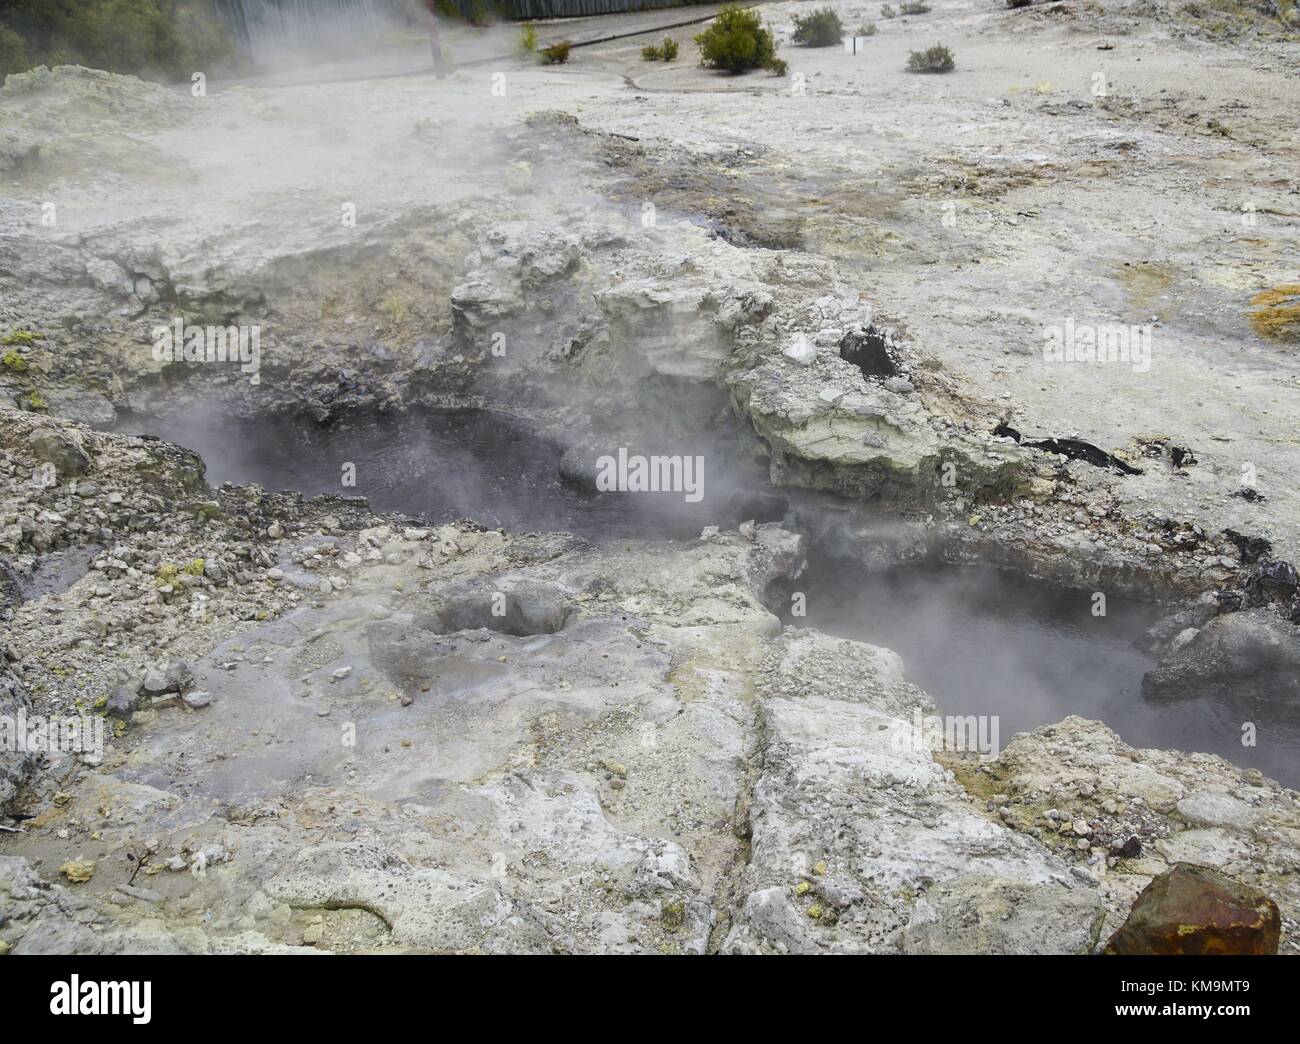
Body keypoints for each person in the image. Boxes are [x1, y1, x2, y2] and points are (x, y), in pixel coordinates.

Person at [425, 0, 449, 79]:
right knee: (436, 50)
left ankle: (440, 74)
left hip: (435, 38)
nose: (431, 5)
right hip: (434, 38)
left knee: (437, 50)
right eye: (430, 4)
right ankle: (440, 74)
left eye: (432, 4)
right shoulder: (429, 14)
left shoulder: (432, 14)